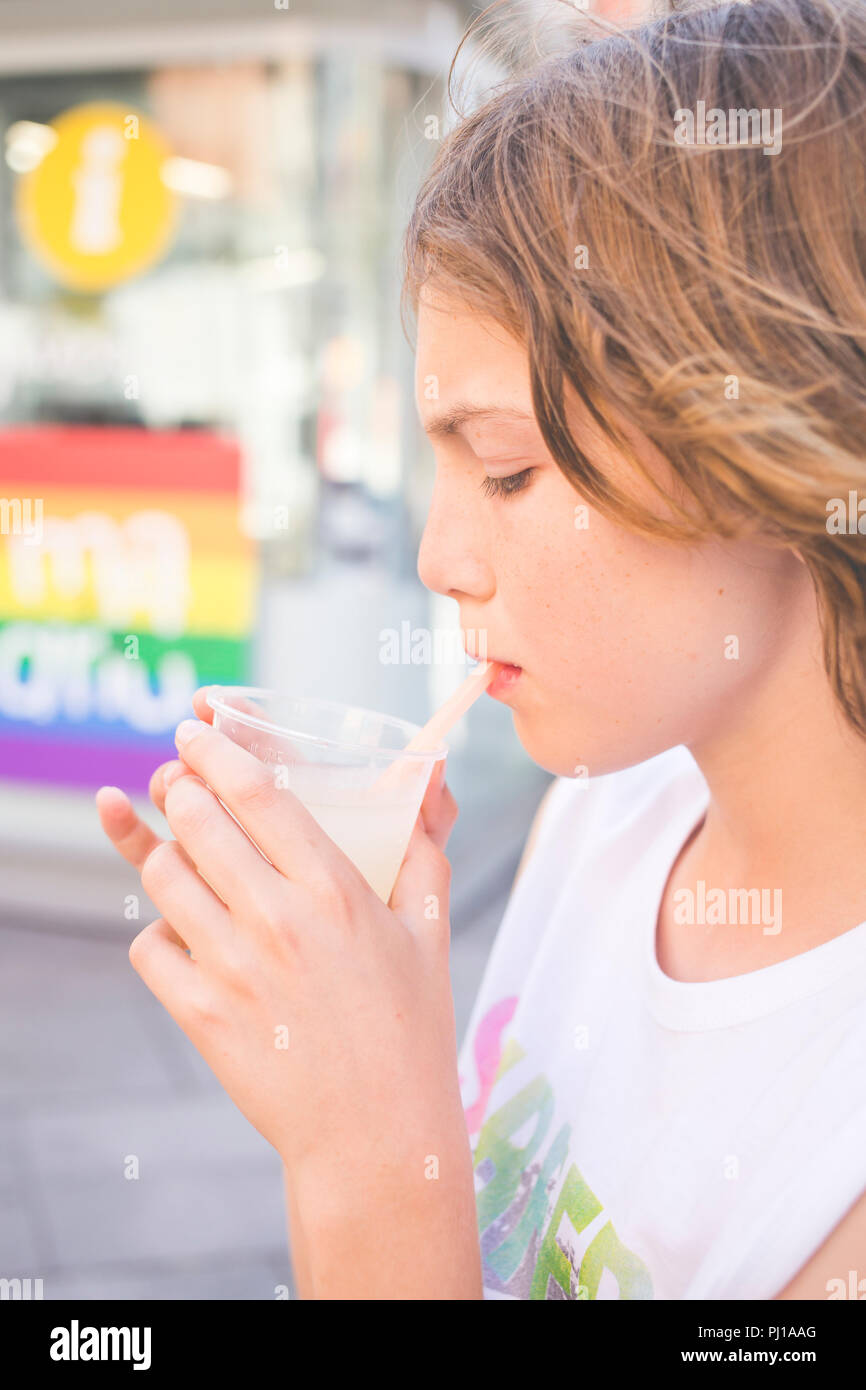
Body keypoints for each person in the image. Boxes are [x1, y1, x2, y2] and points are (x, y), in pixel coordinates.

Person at [97, 0, 866, 1299]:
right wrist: (344, 1046)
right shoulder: (604, 815)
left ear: (763, 441)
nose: (436, 559)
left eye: (505, 469)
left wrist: (360, 1145)